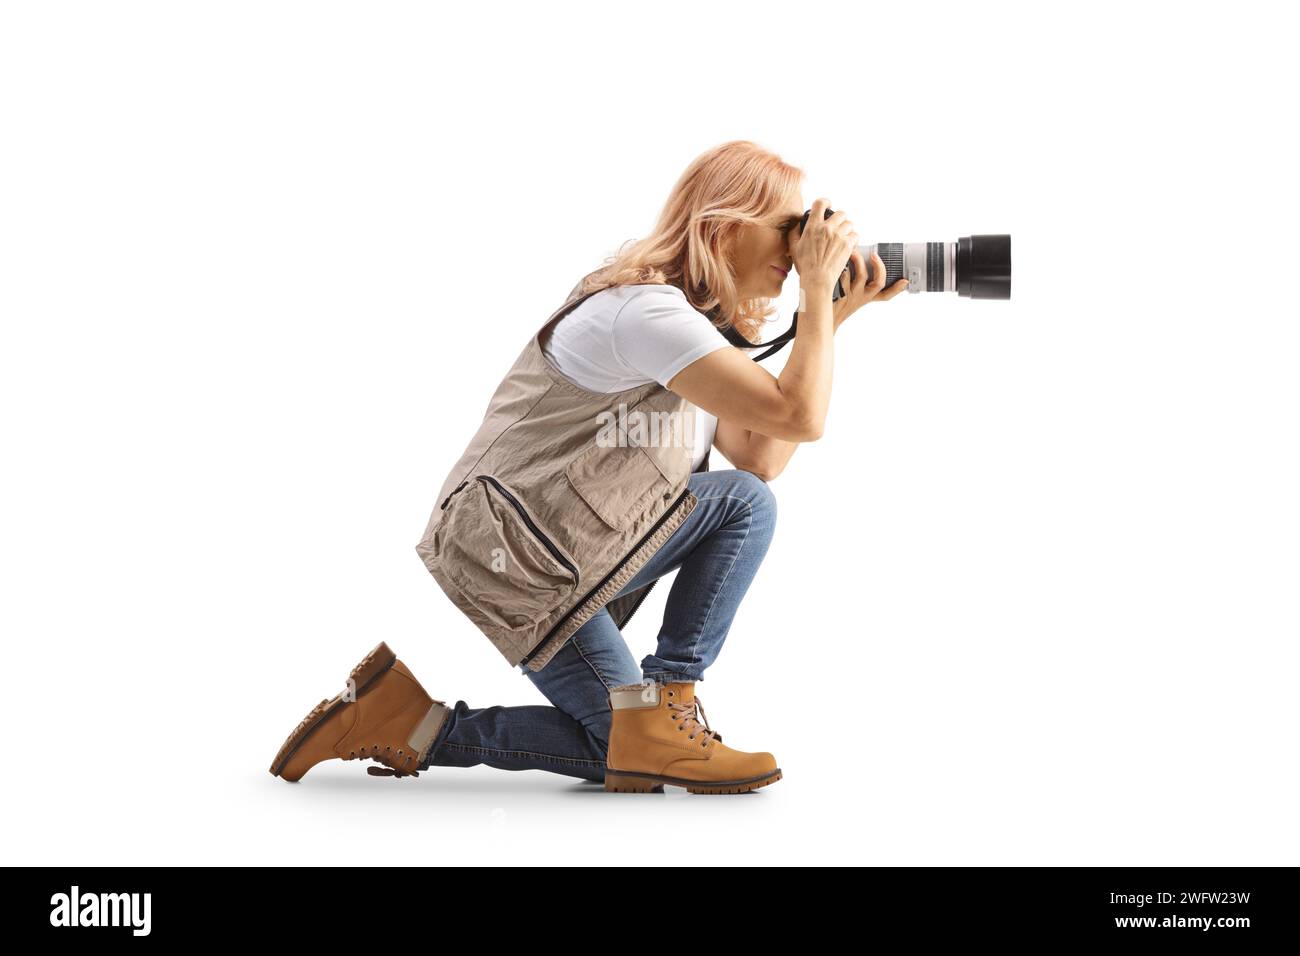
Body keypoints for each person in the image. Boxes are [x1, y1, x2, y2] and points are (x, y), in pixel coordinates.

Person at [269, 141, 908, 792]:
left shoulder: (694, 330)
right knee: (638, 753)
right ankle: (663, 716)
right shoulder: (648, 313)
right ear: (724, 225)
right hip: (514, 557)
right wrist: (819, 309)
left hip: (567, 551)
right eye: (788, 228)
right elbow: (799, 416)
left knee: (743, 502)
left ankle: (406, 720)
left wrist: (830, 317)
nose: (800, 249)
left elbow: (762, 456)